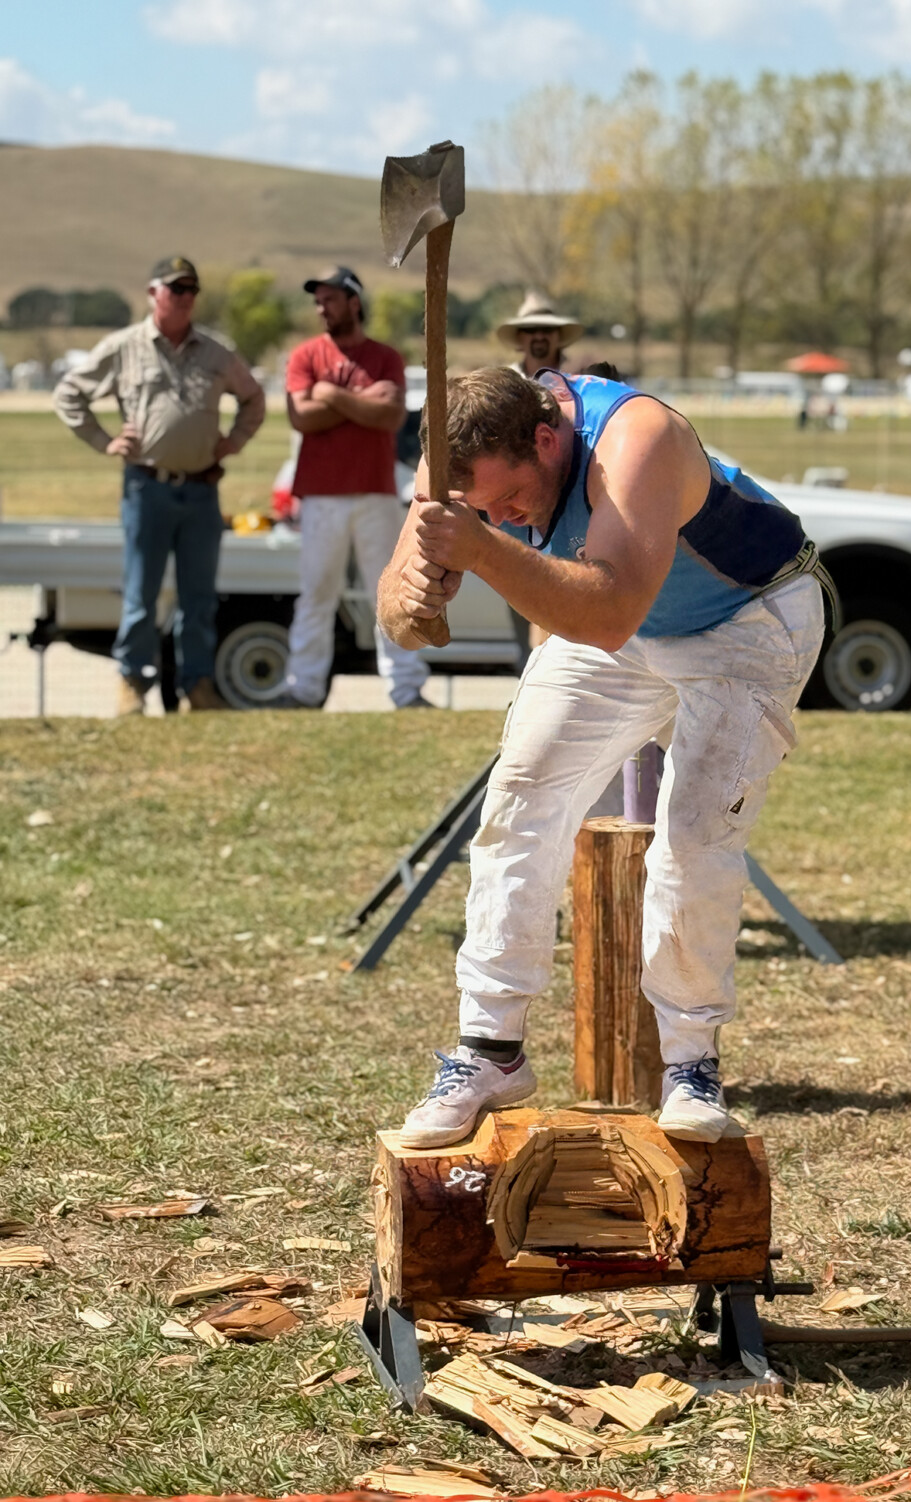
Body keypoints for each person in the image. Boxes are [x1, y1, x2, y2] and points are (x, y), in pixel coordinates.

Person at [377, 366, 833, 1147]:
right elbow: (393, 603)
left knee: (694, 834)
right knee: (522, 795)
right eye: (483, 509)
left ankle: (691, 1063)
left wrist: (480, 546)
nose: (503, 516)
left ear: (546, 438)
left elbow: (609, 612)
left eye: (509, 499)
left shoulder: (637, 441)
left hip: (748, 617)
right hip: (625, 626)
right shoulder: (456, 454)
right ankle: (490, 1049)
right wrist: (411, 598)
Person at [53, 256, 266, 715]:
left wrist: (234, 441)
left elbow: (253, 398)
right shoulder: (123, 347)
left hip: (202, 491)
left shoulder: (216, 352)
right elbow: (68, 394)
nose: (185, 297)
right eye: (176, 288)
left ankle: (198, 687)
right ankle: (132, 683)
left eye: (192, 289)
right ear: (153, 293)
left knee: (199, 598)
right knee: (140, 595)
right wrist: (105, 441)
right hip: (147, 489)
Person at [277, 265, 428, 710]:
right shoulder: (305, 356)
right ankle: (303, 688)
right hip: (321, 495)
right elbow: (301, 417)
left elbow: (391, 416)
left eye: (330, 299)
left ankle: (406, 690)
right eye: (318, 301)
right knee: (317, 593)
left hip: (375, 492)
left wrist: (330, 394)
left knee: (391, 591)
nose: (321, 308)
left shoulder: (386, 358)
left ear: (354, 302)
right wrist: (363, 400)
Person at [497, 292, 583, 378]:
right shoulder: (507, 379)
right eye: (531, 330)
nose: (539, 337)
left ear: (559, 334)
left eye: (547, 329)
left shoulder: (578, 377)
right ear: (519, 336)